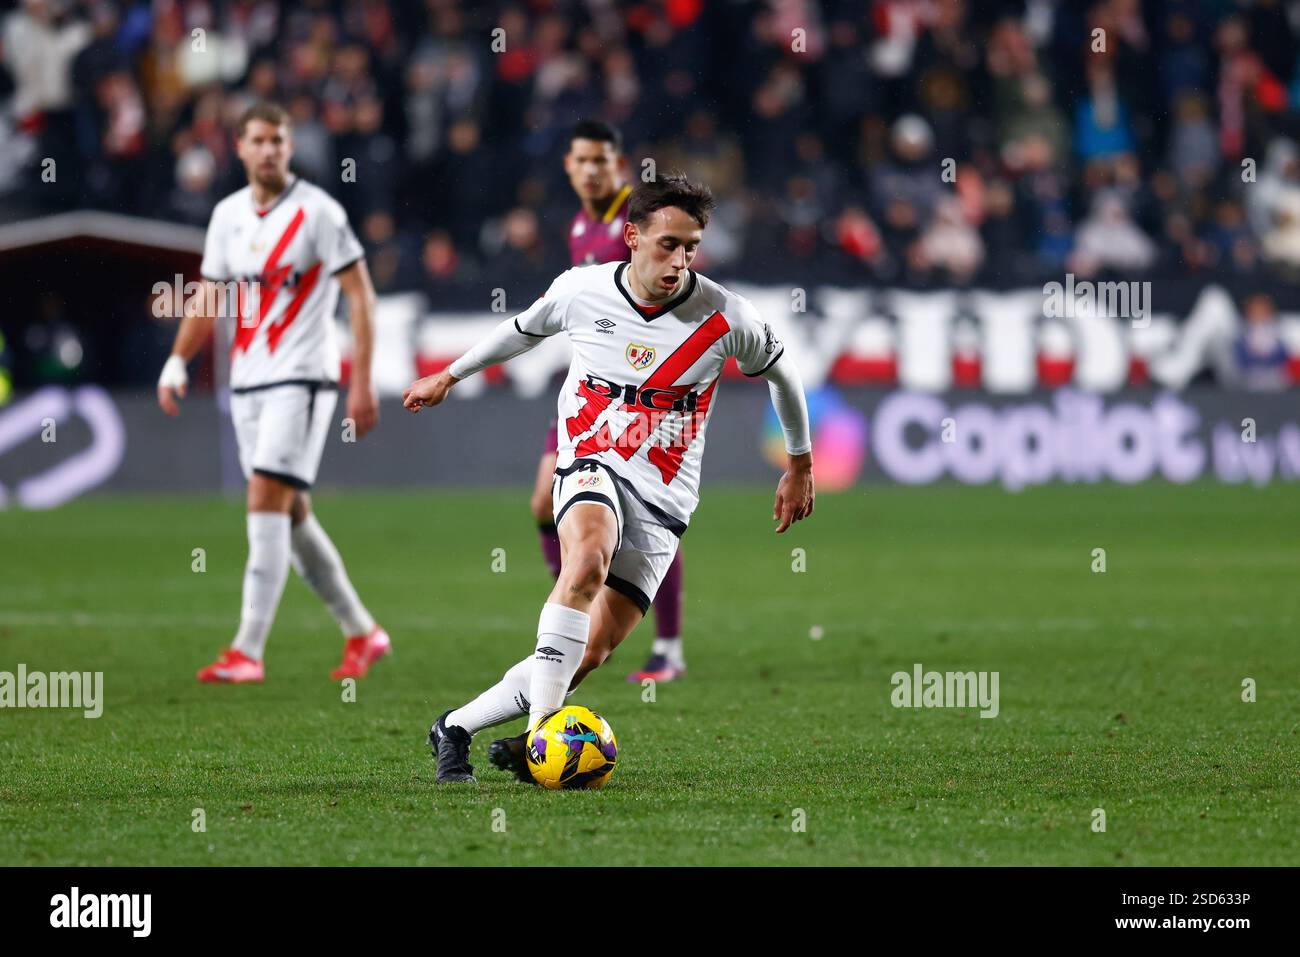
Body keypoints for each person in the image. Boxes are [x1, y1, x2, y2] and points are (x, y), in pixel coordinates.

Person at [403, 172, 815, 783]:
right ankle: (545, 735)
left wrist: (800, 464)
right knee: (587, 560)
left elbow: (784, 378)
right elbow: (521, 330)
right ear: (631, 236)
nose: (680, 260)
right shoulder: (582, 291)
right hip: (591, 459)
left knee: (590, 651)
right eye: (667, 244)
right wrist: (450, 375)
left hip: (664, 495)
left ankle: (455, 726)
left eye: (692, 247)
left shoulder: (727, 316)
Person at [157, 102, 389, 683]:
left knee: (263, 500)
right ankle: (363, 631)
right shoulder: (227, 215)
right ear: (238, 147)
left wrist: (360, 378)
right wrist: (176, 361)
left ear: (289, 147)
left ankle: (247, 650)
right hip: (248, 384)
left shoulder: (319, 212)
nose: (268, 150)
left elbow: (360, 297)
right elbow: (208, 298)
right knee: (291, 514)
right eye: (258, 141)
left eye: (277, 141)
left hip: (303, 379)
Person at [535, 119, 692, 684]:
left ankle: (666, 646)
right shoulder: (581, 224)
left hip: (639, 396)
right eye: (583, 161)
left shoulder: (641, 222)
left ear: (618, 165)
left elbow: (676, 290)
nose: (593, 170)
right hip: (588, 390)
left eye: (603, 160)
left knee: (648, 517)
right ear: (569, 168)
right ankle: (578, 604)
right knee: (541, 506)